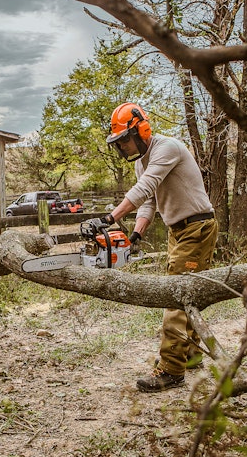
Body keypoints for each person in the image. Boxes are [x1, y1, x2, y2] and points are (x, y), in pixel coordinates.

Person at [91, 102, 218, 392]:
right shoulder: (141, 162)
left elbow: (145, 188)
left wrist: (110, 218)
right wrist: (135, 235)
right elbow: (150, 201)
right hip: (179, 230)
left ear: (141, 130)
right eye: (119, 143)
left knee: (175, 297)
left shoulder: (168, 148)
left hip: (197, 227)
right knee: (188, 294)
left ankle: (172, 371)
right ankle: (190, 355)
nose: (123, 147)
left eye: (125, 140)